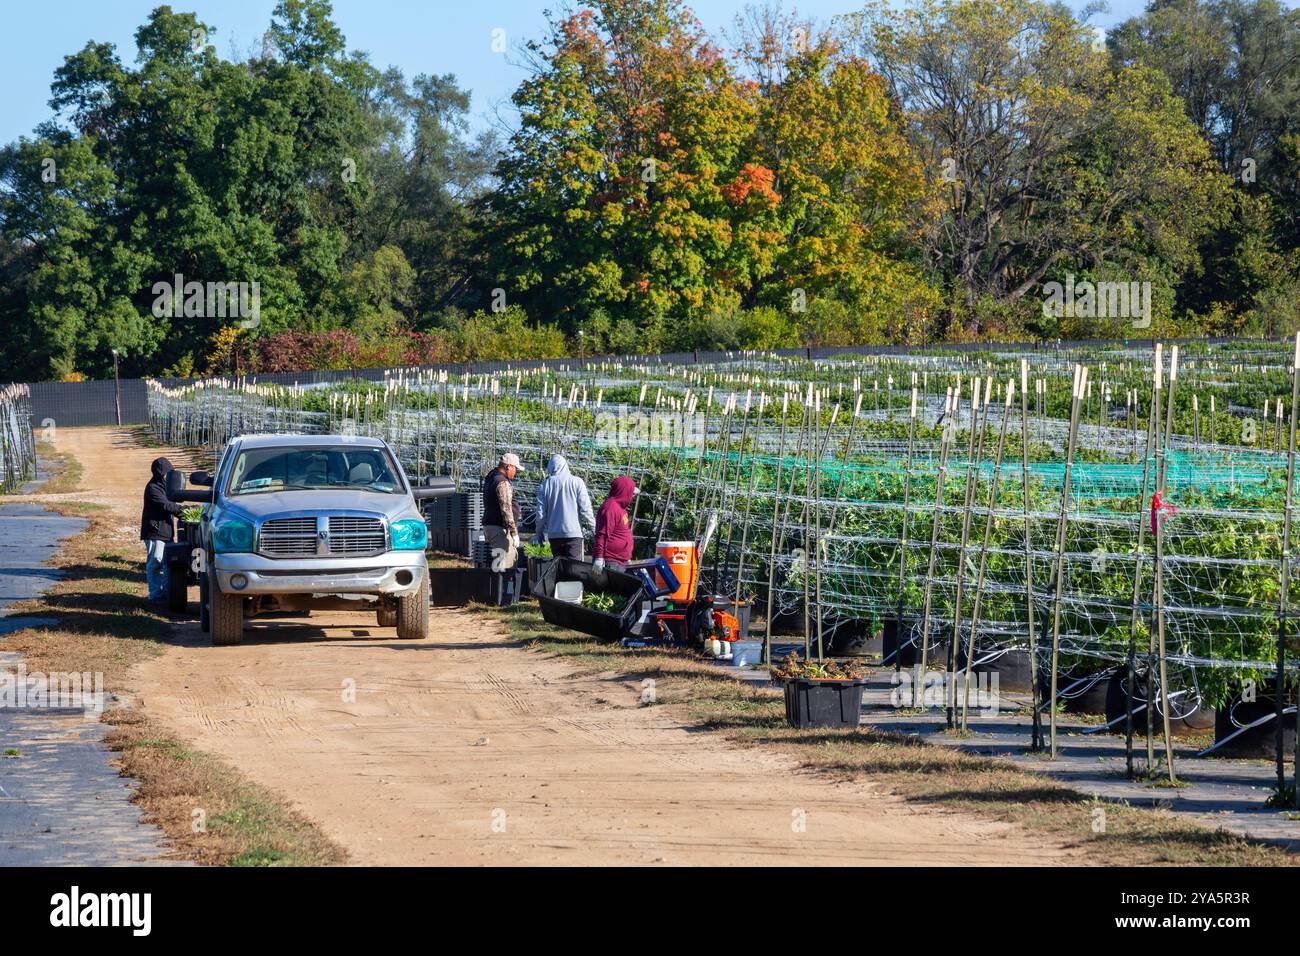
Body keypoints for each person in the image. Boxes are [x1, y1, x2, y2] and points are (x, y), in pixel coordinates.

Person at [534, 454, 595, 560]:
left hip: (554, 535)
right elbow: (586, 510)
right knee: (574, 570)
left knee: (559, 570)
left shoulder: (544, 485)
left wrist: (539, 533)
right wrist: (594, 528)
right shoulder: (577, 482)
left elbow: (540, 514)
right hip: (573, 534)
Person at [140, 456, 183, 602]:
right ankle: (155, 596)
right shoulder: (153, 488)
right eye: (166, 473)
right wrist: (184, 512)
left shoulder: (167, 487)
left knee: (167, 563)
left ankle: (166, 594)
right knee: (155, 563)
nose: (168, 476)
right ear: (159, 474)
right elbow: (167, 506)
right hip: (155, 531)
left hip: (166, 531)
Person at [482, 453, 524, 571]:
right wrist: (514, 532)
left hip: (491, 527)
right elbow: (506, 509)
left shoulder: (491, 478)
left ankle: (497, 588)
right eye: (515, 468)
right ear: (508, 466)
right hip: (499, 530)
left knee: (499, 563)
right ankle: (500, 589)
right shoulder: (501, 482)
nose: (515, 472)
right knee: (504, 566)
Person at [592, 476, 637, 573]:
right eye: (631, 492)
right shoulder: (610, 508)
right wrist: (599, 557)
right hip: (610, 561)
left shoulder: (621, 509)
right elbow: (602, 534)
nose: (633, 496)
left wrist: (626, 556)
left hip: (619, 561)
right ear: (624, 491)